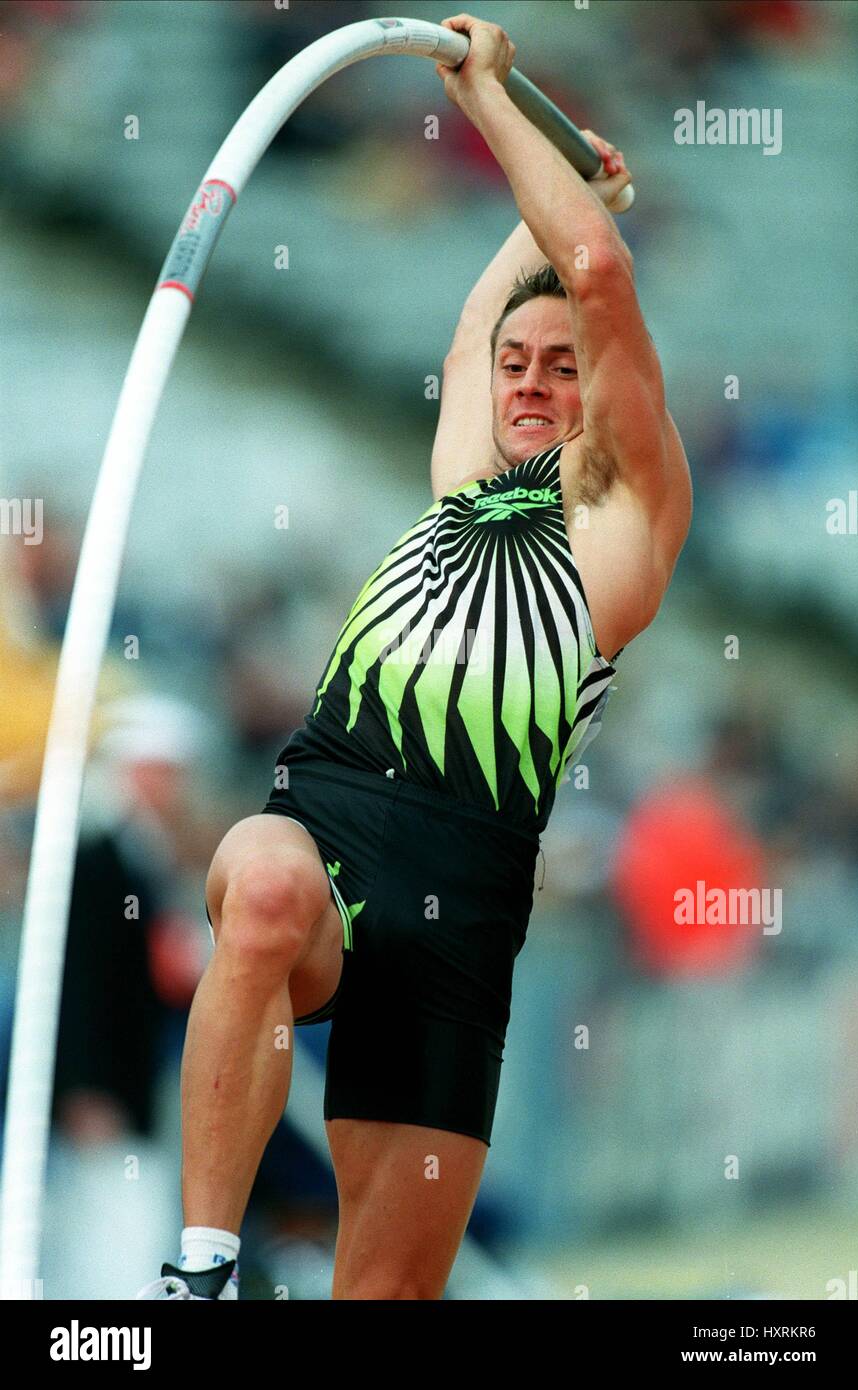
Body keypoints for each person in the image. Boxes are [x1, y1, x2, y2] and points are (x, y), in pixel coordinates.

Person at [137, 12, 692, 1302]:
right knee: (262, 888)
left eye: (562, 370)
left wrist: (491, 97)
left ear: (598, 396)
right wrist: (556, 193)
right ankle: (203, 1270)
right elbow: (491, 318)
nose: (530, 383)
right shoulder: (457, 481)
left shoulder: (625, 513)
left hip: (465, 902)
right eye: (515, 363)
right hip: (325, 822)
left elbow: (596, 275)